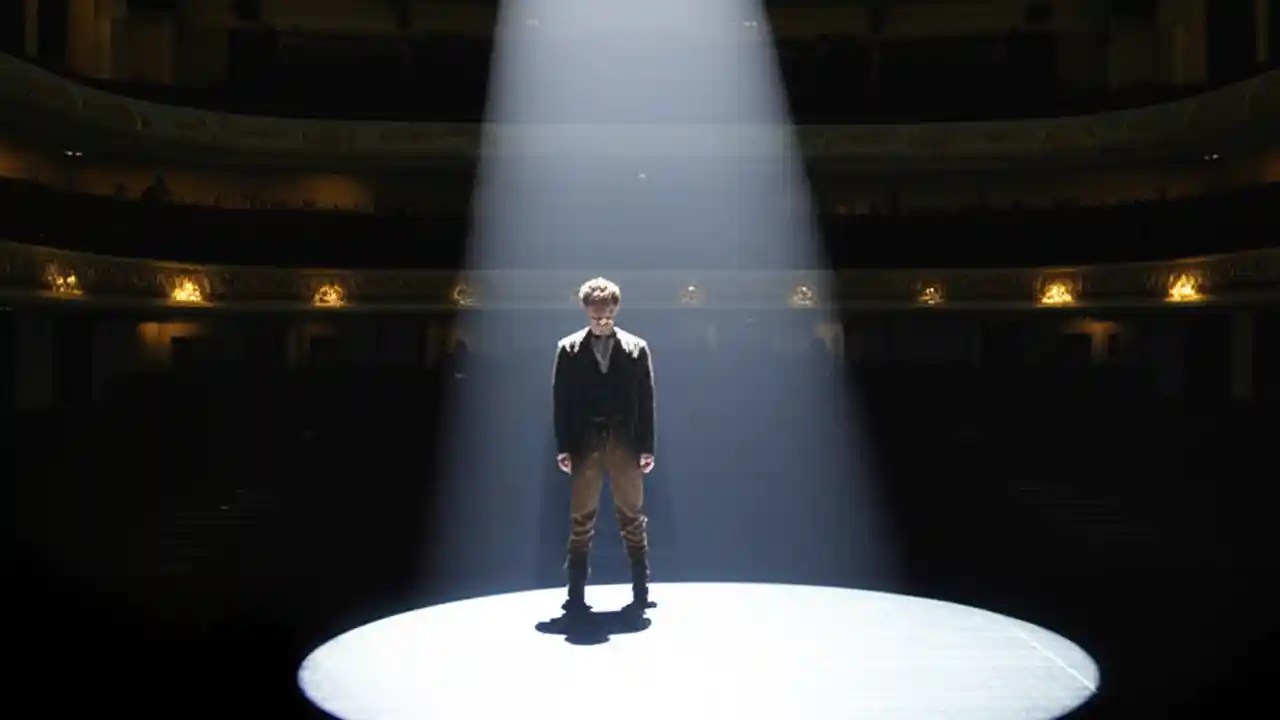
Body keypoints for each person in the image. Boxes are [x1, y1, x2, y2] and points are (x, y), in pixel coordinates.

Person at [552, 277, 657, 620]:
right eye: (596, 315)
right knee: (581, 518)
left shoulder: (637, 348)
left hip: (624, 441)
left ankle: (641, 590)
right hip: (585, 442)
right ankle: (575, 593)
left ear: (615, 309)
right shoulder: (568, 348)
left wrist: (646, 446)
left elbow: (646, 400)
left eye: (607, 314)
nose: (602, 320)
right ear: (586, 310)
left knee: (632, 516)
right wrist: (564, 446)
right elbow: (561, 400)